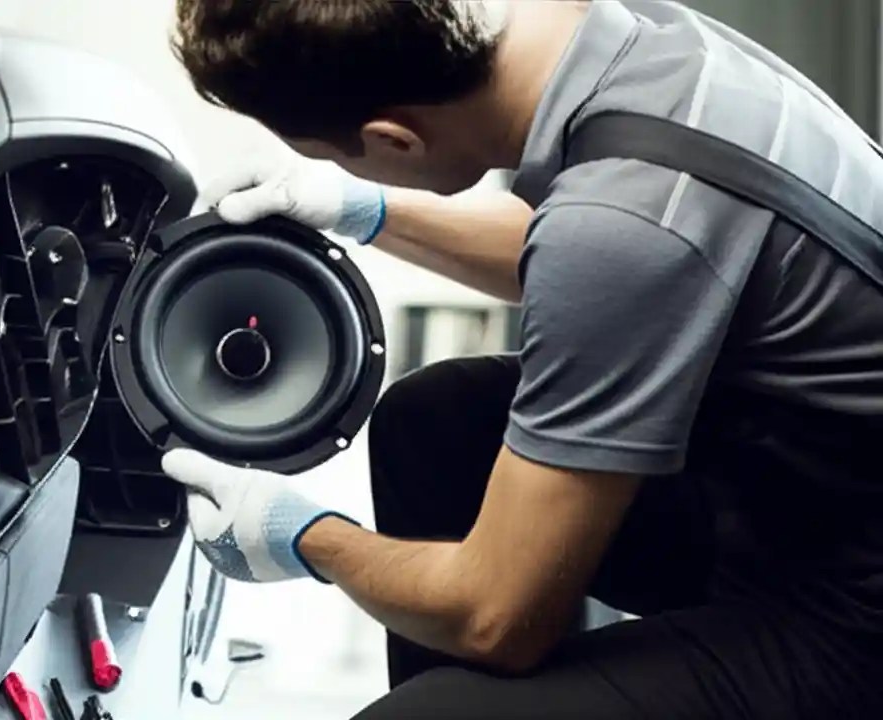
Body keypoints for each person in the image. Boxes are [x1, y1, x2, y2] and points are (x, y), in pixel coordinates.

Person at [159, 1, 883, 718]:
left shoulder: (619, 230)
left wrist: (304, 539)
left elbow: (494, 621)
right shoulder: (625, 36)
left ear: (397, 139)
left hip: (848, 602)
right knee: (437, 420)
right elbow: (602, 254)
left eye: (323, 153)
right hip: (789, 489)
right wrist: (366, 209)